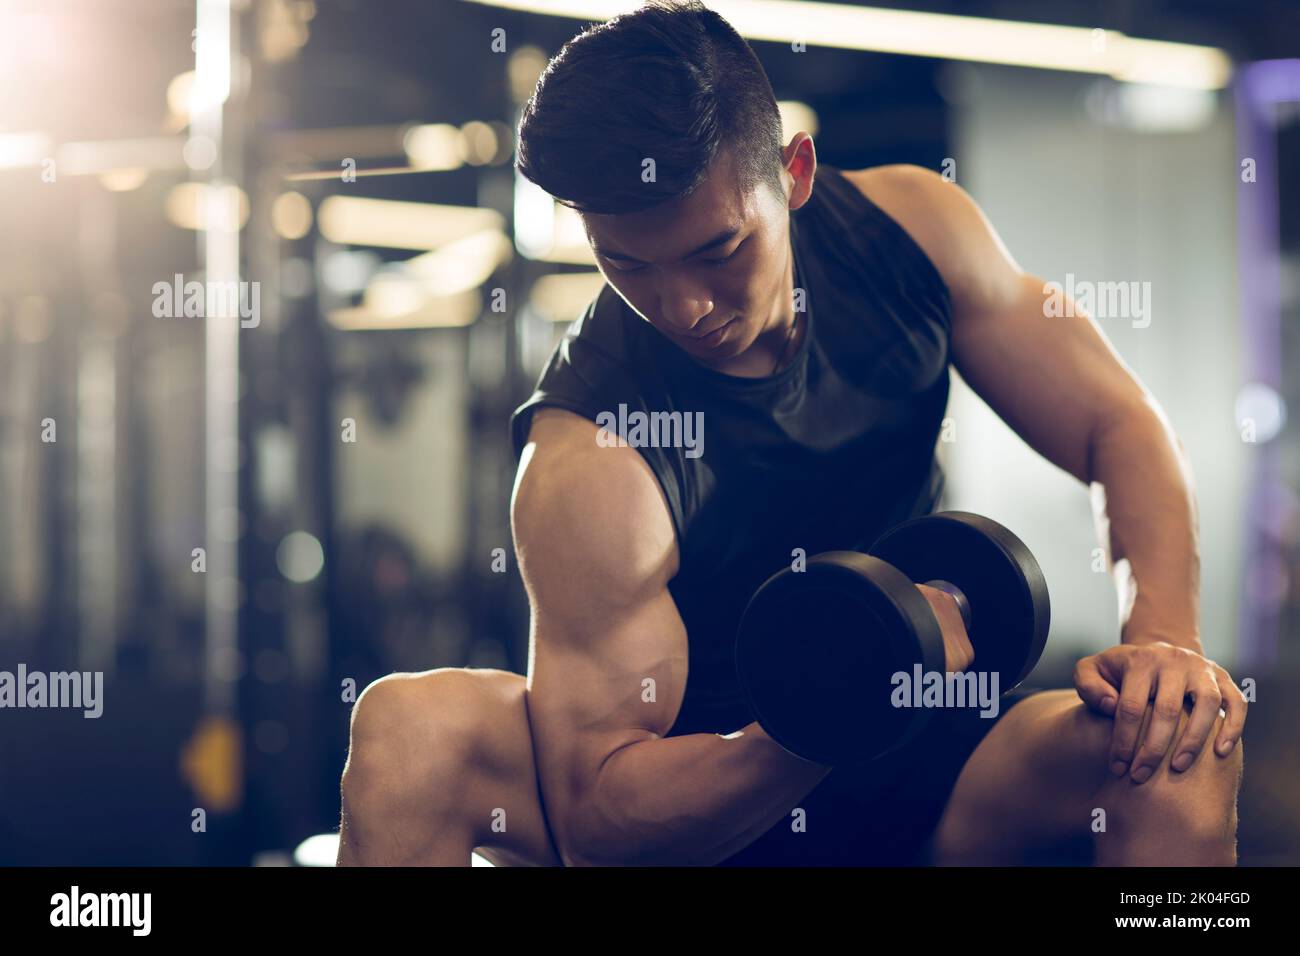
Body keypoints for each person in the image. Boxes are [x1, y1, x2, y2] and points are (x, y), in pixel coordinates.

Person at [336, 0, 1244, 867]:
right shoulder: (590, 458)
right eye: (628, 265)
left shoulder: (913, 234)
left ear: (794, 171)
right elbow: (597, 822)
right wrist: (830, 709)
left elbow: (1118, 424)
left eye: (718, 250)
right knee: (412, 728)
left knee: (1178, 737)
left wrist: (1166, 640)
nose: (684, 307)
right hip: (701, 796)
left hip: (934, 766)